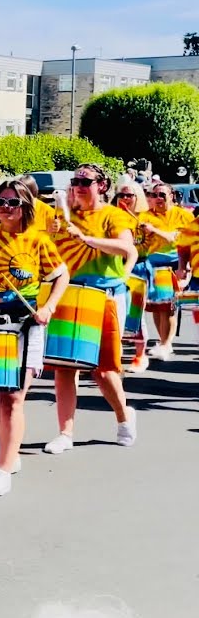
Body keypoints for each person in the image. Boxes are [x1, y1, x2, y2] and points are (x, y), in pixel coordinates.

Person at [0, 179, 69, 496]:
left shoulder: (38, 240)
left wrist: (48, 306)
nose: (5, 208)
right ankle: (7, 451)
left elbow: (61, 274)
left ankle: (4, 468)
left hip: (23, 320)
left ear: (25, 207)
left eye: (13, 203)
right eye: (0, 202)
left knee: (14, 396)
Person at [45, 163, 138, 455]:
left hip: (105, 295)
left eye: (85, 181)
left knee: (103, 370)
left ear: (102, 185)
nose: (78, 186)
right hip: (71, 293)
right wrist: (53, 231)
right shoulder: (62, 217)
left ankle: (124, 417)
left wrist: (85, 239)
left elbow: (125, 248)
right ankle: (65, 432)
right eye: (75, 181)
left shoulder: (114, 215)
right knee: (64, 367)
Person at [137, 182, 192, 360]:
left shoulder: (183, 216)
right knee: (156, 306)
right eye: (154, 195)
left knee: (168, 306)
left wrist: (153, 230)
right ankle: (162, 341)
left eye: (162, 195)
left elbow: (175, 239)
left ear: (172, 197)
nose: (158, 199)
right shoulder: (145, 216)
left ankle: (166, 344)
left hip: (174, 264)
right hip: (151, 265)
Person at [116, 180, 151, 372]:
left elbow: (162, 241)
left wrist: (151, 231)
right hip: (117, 267)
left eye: (129, 195)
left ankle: (140, 355)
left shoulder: (146, 217)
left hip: (139, 268)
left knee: (137, 314)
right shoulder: (114, 216)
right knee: (116, 315)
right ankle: (115, 355)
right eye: (122, 195)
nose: (125, 199)